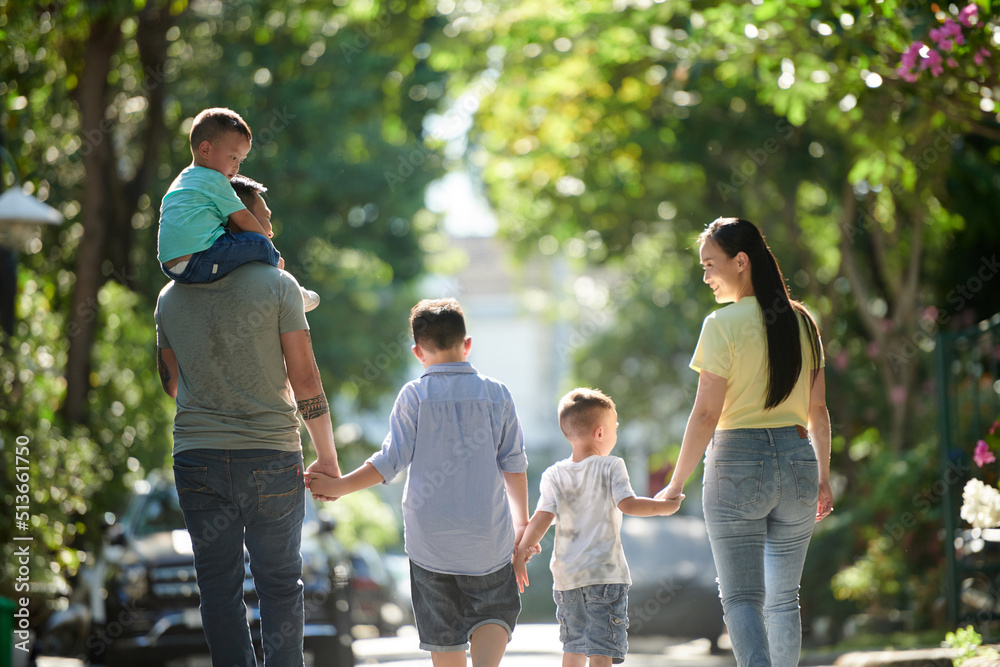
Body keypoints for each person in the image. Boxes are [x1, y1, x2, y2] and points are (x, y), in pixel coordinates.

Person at [154, 173, 342, 667]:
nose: (271, 231)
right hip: (271, 453)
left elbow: (171, 384)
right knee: (280, 584)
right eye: (264, 217)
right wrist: (328, 458)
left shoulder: (168, 299)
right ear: (234, 218)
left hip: (196, 458)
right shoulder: (280, 286)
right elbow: (306, 380)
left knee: (217, 589)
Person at [305, 297, 529, 667]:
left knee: (444, 631)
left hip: (430, 542)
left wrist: (339, 485)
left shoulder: (415, 395)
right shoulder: (497, 394)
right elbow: (515, 466)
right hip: (487, 538)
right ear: (467, 344)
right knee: (493, 611)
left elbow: (389, 462)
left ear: (417, 352)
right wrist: (520, 526)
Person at [655, 217, 833, 667]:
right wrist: (825, 478)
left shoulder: (721, 324)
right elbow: (818, 412)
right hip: (798, 463)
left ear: (741, 261)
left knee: (742, 598)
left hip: (736, 461)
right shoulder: (804, 323)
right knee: (782, 599)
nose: (706, 276)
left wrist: (675, 484)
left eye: (710, 265)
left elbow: (706, 414)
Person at [512, 388, 683, 667]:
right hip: (604, 575)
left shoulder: (554, 474)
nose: (616, 434)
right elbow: (628, 505)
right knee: (601, 649)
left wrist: (521, 553)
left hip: (567, 579)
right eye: (614, 427)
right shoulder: (612, 467)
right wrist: (665, 506)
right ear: (600, 433)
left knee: (574, 647)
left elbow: (540, 518)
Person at [156, 106, 318, 310]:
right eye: (233, 158)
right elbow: (243, 217)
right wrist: (269, 248)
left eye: (241, 160)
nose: (237, 167)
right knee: (256, 243)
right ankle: (290, 289)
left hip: (171, 267)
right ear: (205, 150)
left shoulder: (183, 180)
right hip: (199, 258)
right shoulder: (214, 179)